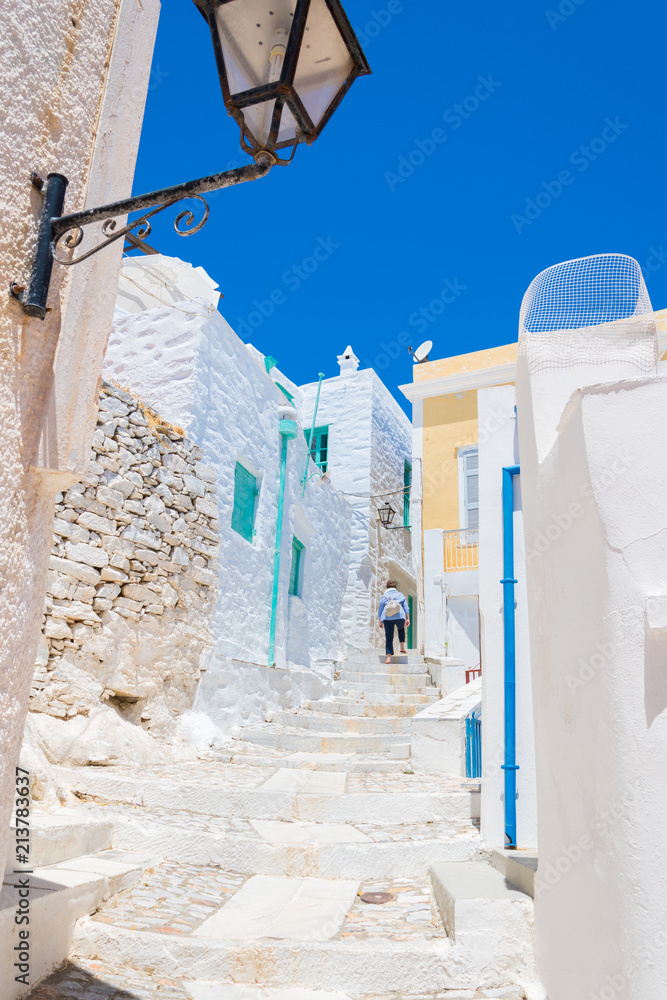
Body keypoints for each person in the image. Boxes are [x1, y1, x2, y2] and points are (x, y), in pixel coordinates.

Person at [377, 580, 410, 663]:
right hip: (400, 616)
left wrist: (380, 620)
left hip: (387, 617)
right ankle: (402, 647)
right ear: (395, 587)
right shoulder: (400, 595)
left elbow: (380, 609)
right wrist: (407, 618)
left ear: (387, 587)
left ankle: (388, 658)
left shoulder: (384, 596)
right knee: (401, 630)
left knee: (389, 636)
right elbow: (406, 607)